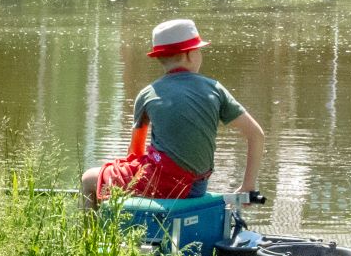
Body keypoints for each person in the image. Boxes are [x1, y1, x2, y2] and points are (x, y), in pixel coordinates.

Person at [80, 18, 265, 206]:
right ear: (190, 54)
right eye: (199, 49)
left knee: (89, 179)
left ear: (160, 57)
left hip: (164, 185)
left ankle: (91, 235)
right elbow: (256, 134)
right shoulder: (215, 89)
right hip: (197, 187)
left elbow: (135, 153)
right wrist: (248, 186)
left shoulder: (147, 94)